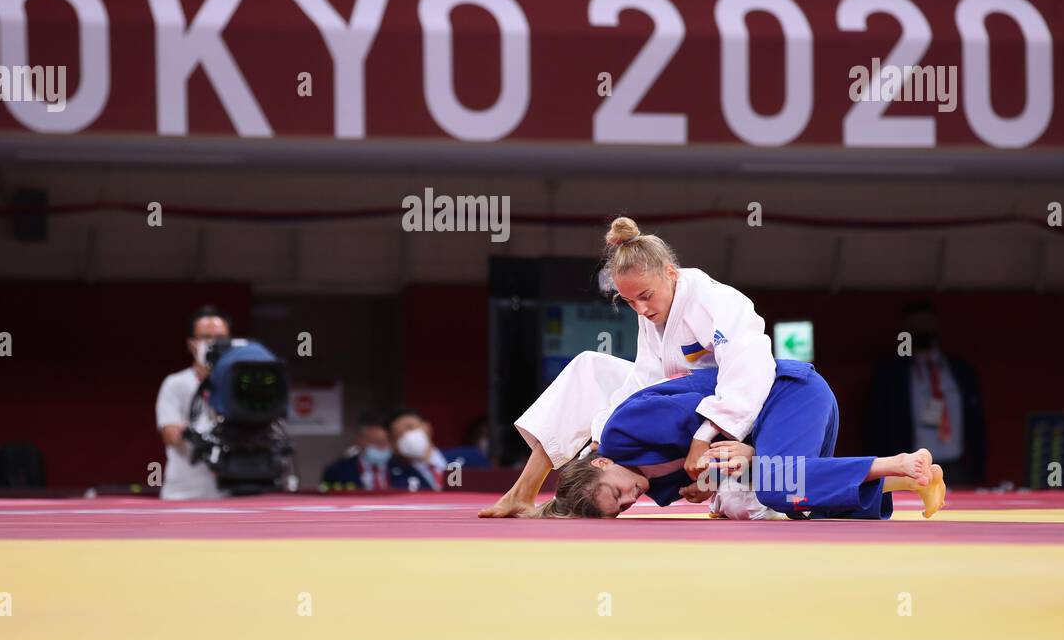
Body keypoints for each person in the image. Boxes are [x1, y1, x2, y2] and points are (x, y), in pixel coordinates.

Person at [480, 216, 777, 518]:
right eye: (630, 302)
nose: (641, 309)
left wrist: (706, 434)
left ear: (670, 272)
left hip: (736, 416)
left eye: (645, 297)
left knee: (743, 506)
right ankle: (524, 490)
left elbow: (749, 373)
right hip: (680, 409)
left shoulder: (717, 301)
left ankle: (740, 484)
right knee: (590, 367)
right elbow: (645, 380)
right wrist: (603, 434)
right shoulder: (653, 310)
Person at [539, 360, 946, 521]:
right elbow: (728, 468)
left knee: (776, 488)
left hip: (784, 393)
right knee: (802, 511)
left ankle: (894, 462)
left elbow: (719, 402)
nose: (631, 500)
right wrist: (714, 488)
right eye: (623, 508)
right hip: (779, 422)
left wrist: (748, 450)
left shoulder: (624, 429)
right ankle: (914, 481)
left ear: (601, 463)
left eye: (617, 494)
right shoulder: (658, 490)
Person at [869, 301, 987, 487]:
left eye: (927, 327)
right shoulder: (892, 374)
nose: (923, 333)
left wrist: (978, 469)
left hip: (956, 468)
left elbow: (977, 422)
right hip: (911, 470)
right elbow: (878, 425)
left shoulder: (960, 370)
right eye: (916, 328)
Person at [154, 305, 230, 501]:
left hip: (230, 495)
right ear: (192, 344)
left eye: (221, 338)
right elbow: (170, 435)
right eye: (206, 337)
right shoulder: (175, 383)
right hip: (183, 494)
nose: (213, 343)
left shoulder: (239, 385)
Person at [320, 418, 394, 490]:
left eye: (386, 442)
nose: (382, 447)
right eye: (376, 442)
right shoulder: (337, 470)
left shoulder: (401, 469)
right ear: (360, 440)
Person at [386, 408, 448, 491]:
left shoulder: (464, 458)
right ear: (393, 445)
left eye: (410, 427)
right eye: (398, 434)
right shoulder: (394, 475)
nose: (406, 436)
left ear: (427, 427)